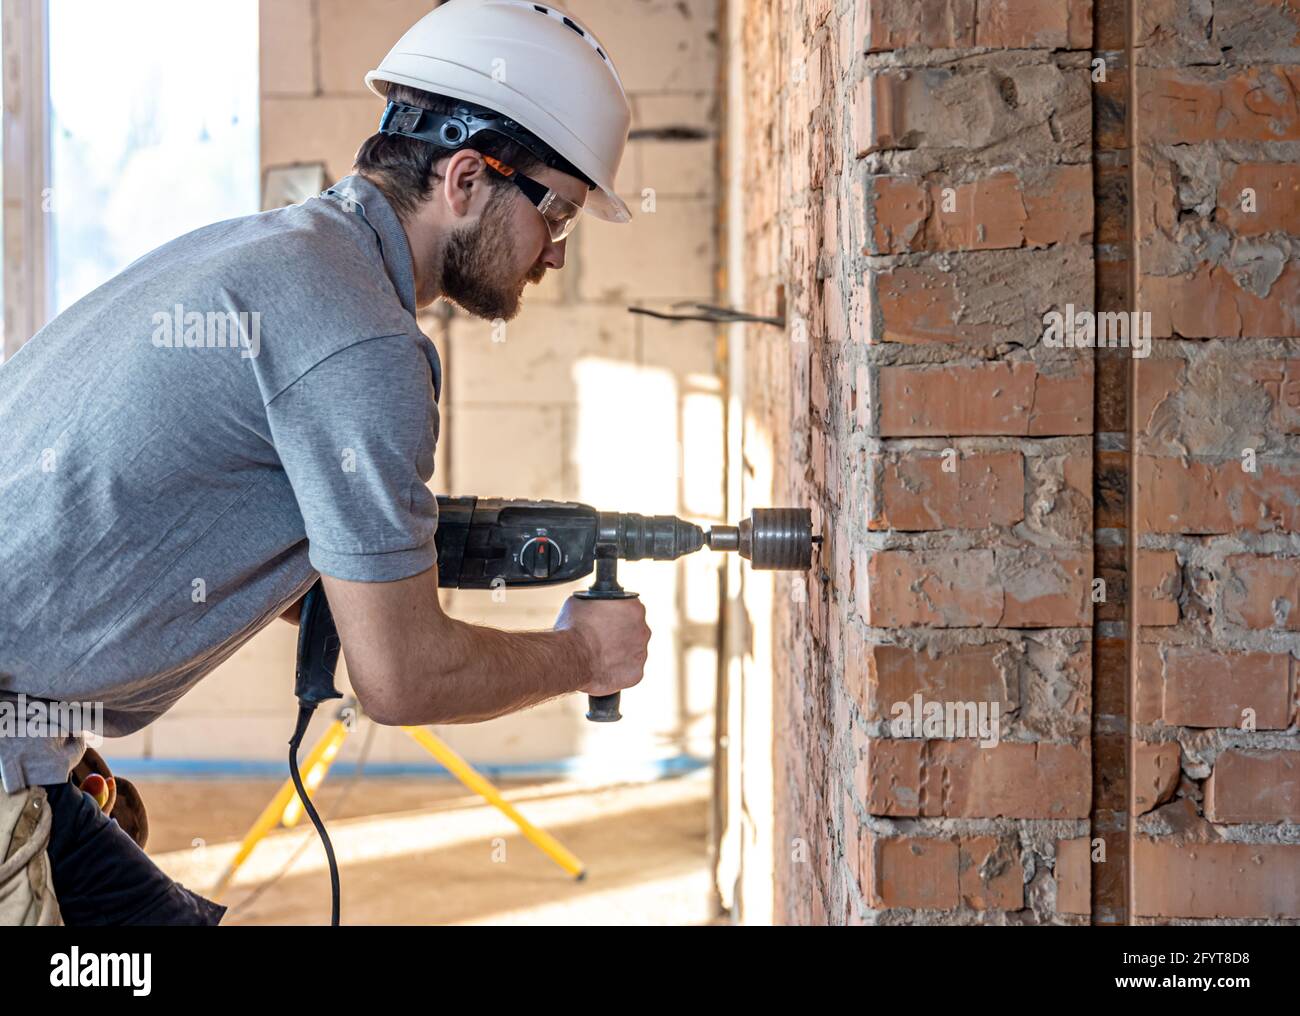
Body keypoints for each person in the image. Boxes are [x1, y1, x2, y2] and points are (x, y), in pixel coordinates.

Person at [0, 0, 648, 925]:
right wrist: (584, 654)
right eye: (559, 216)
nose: (552, 257)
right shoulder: (365, 346)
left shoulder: (270, 250)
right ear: (466, 177)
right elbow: (402, 677)